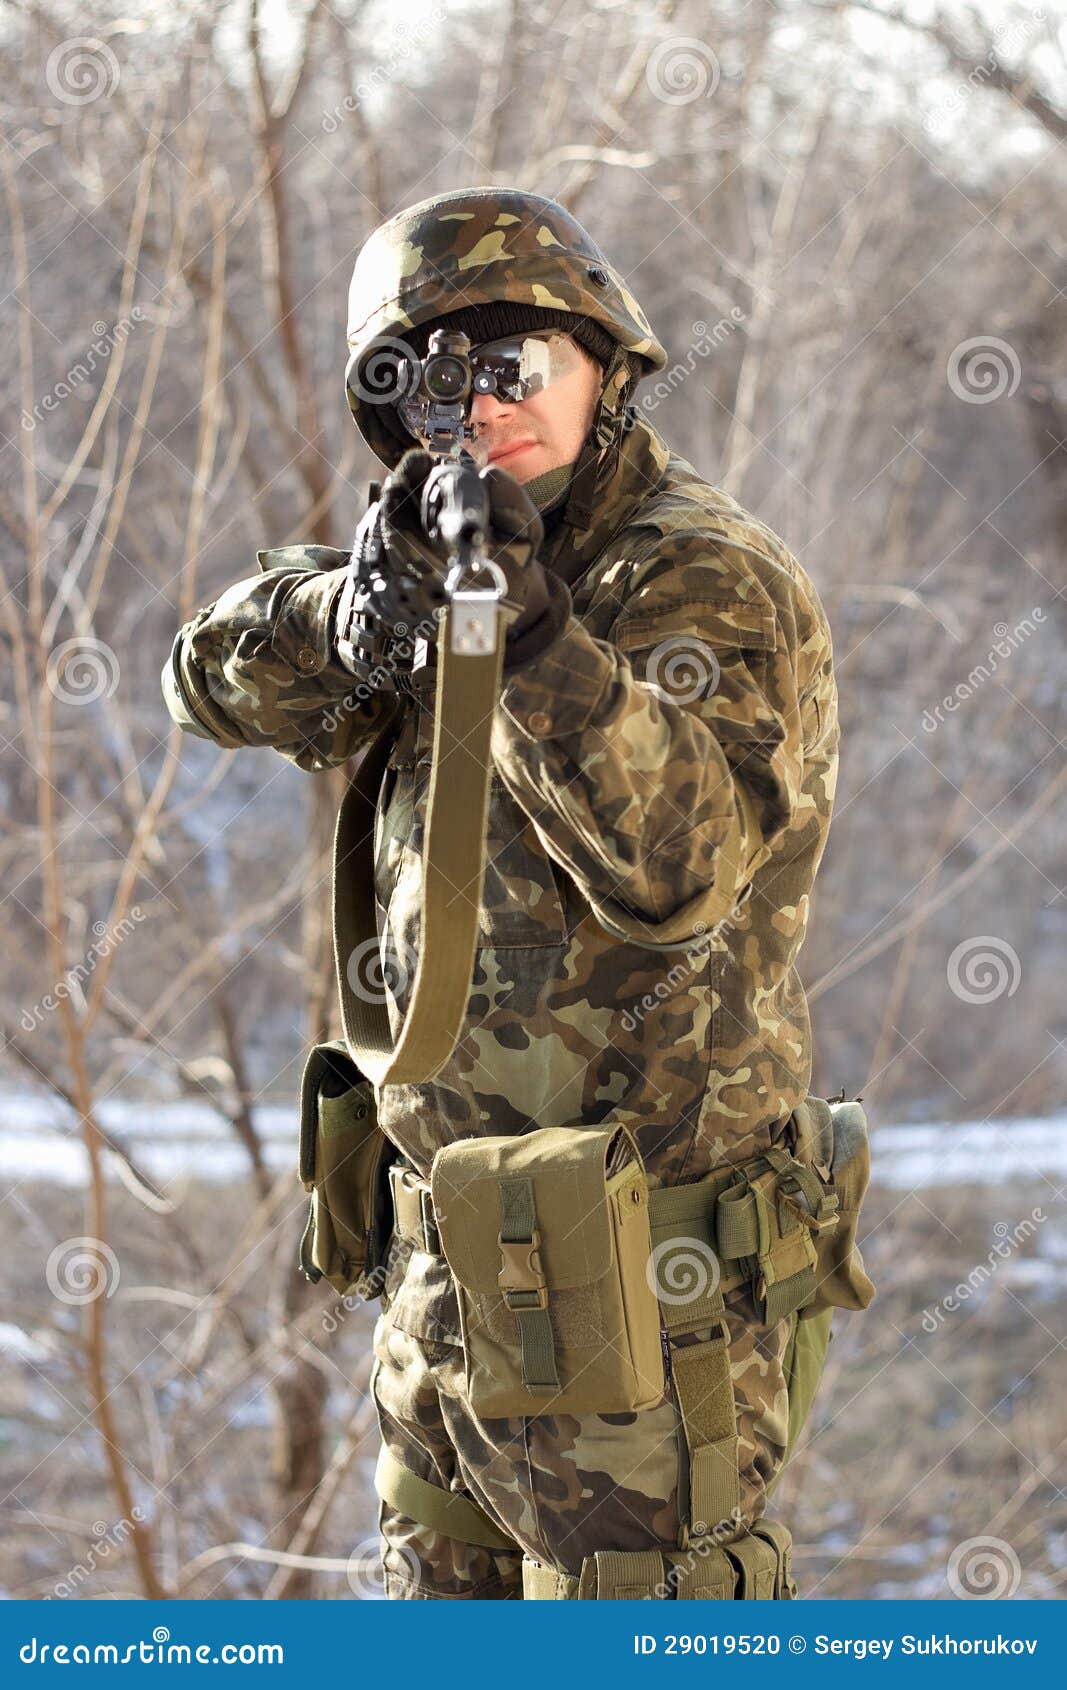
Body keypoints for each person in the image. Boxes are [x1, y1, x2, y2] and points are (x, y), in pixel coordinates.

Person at [162, 185, 841, 1601]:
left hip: (648, 1317)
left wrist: (525, 630)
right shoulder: (413, 565)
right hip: (445, 1275)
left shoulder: (701, 574)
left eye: (517, 364)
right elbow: (201, 675)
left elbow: (679, 864)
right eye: (430, 378)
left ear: (606, 360)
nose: (482, 408)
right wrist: (354, 615)